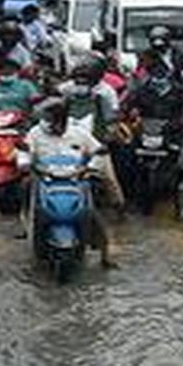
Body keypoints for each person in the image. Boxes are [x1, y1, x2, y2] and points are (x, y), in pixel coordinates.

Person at [26, 98, 120, 268]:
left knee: (93, 213)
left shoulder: (79, 133)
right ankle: (28, 231)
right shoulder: (35, 133)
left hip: (77, 181)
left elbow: (98, 151)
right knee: (27, 195)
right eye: (46, 119)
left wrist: (89, 168)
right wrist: (27, 164)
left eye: (52, 119)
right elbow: (25, 153)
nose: (48, 124)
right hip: (45, 182)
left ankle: (106, 253)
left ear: (61, 119)